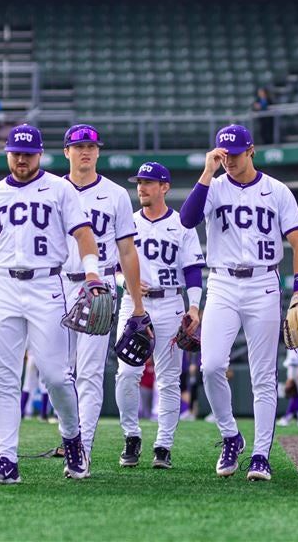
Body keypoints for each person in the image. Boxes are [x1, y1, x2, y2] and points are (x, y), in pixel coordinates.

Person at [0, 123, 104, 484]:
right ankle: (6, 460)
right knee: (4, 378)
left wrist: (92, 273)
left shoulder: (59, 188)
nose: (22, 159)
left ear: (40, 155)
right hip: (4, 286)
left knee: (56, 376)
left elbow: (84, 233)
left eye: (28, 153)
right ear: (8, 154)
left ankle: (73, 439)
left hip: (47, 283)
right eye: (16, 153)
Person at [180, 123, 298, 482]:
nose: (230, 161)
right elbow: (187, 220)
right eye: (224, 155)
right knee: (210, 366)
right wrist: (207, 172)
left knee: (263, 376)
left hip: (263, 282)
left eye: (236, 154)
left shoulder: (276, 190)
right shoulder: (213, 186)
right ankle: (230, 436)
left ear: (251, 151)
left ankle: (260, 454)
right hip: (222, 281)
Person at [57, 124, 146, 466]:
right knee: (57, 372)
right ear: (67, 152)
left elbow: (127, 251)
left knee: (90, 373)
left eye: (91, 147)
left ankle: (83, 449)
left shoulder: (116, 194)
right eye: (79, 146)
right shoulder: (52, 190)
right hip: (58, 283)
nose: (86, 152)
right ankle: (69, 435)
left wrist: (137, 303)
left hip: (100, 286)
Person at [116, 161, 204, 470]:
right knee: (127, 373)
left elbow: (193, 270)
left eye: (148, 182)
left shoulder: (182, 224)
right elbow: (113, 266)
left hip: (170, 302)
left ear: (164, 187)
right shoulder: (127, 221)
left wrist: (194, 306)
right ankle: (131, 436)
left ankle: (163, 445)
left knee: (169, 379)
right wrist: (123, 281)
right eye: (139, 182)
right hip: (133, 303)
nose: (141, 187)